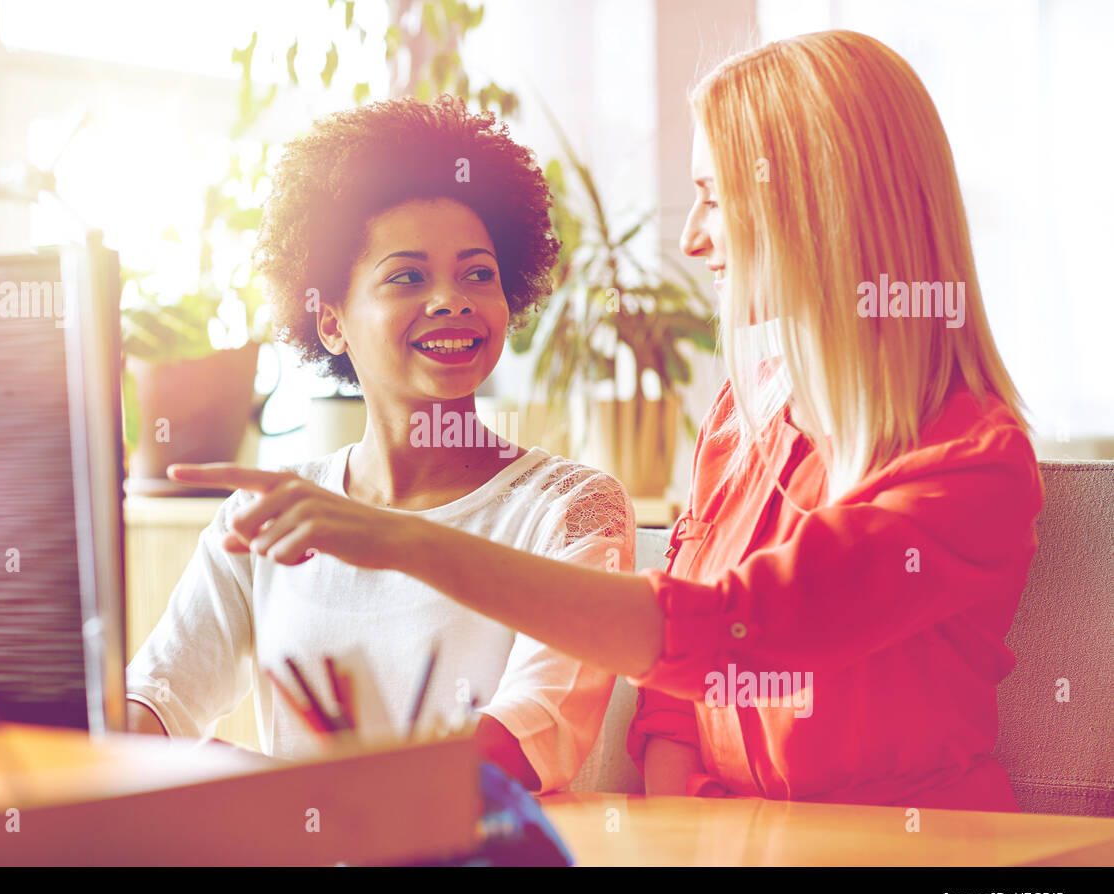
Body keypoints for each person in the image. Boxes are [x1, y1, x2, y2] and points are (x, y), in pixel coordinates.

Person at [185, 31, 1044, 812]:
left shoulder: (975, 465)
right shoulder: (742, 425)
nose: (698, 240)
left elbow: (735, 634)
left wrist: (401, 540)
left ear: (815, 202)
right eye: (404, 277)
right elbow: (675, 704)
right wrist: (692, 829)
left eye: (712, 197)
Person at [126, 96, 633, 794]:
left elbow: (528, 739)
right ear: (331, 323)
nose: (452, 299)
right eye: (408, 277)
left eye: (478, 273)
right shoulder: (270, 512)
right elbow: (157, 699)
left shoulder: (571, 511)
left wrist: (263, 781)